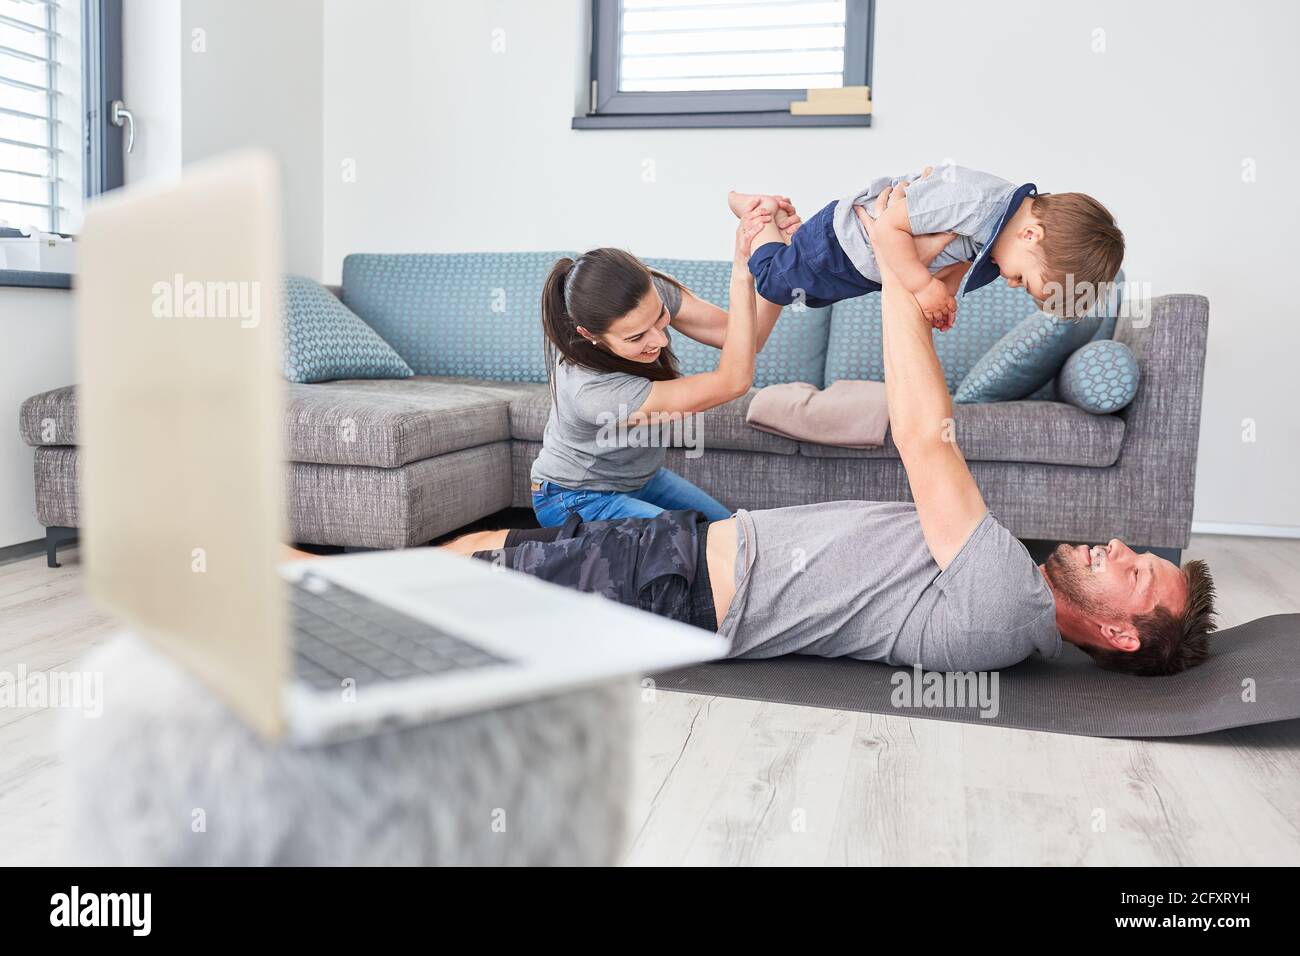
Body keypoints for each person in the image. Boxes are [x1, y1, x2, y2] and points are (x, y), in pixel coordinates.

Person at [445, 187, 1215, 676]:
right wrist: (807, 266)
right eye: (1144, 555)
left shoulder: (1005, 606)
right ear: (592, 334)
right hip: (621, 511)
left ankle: (354, 588)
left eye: (1137, 572)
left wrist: (836, 265)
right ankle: (349, 578)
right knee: (506, 559)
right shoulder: (588, 392)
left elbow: (916, 435)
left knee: (504, 578)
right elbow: (739, 372)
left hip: (696, 579)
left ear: (1119, 635)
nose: (1120, 547)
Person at [529, 201, 796, 527]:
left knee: (730, 531)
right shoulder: (591, 390)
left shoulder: (648, 294)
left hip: (640, 480)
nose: (661, 339)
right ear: (589, 335)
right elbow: (733, 381)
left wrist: (780, 259)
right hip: (575, 497)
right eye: (636, 337)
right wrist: (743, 269)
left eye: (660, 319)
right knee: (700, 546)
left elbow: (747, 339)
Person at [728, 163, 1124, 329]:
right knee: (773, 284)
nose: (1013, 284)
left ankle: (785, 233)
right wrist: (922, 286)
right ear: (1032, 235)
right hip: (841, 243)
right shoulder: (975, 201)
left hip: (863, 269)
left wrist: (941, 298)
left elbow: (954, 265)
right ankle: (759, 212)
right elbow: (888, 229)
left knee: (808, 298)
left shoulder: (996, 237)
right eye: (1025, 278)